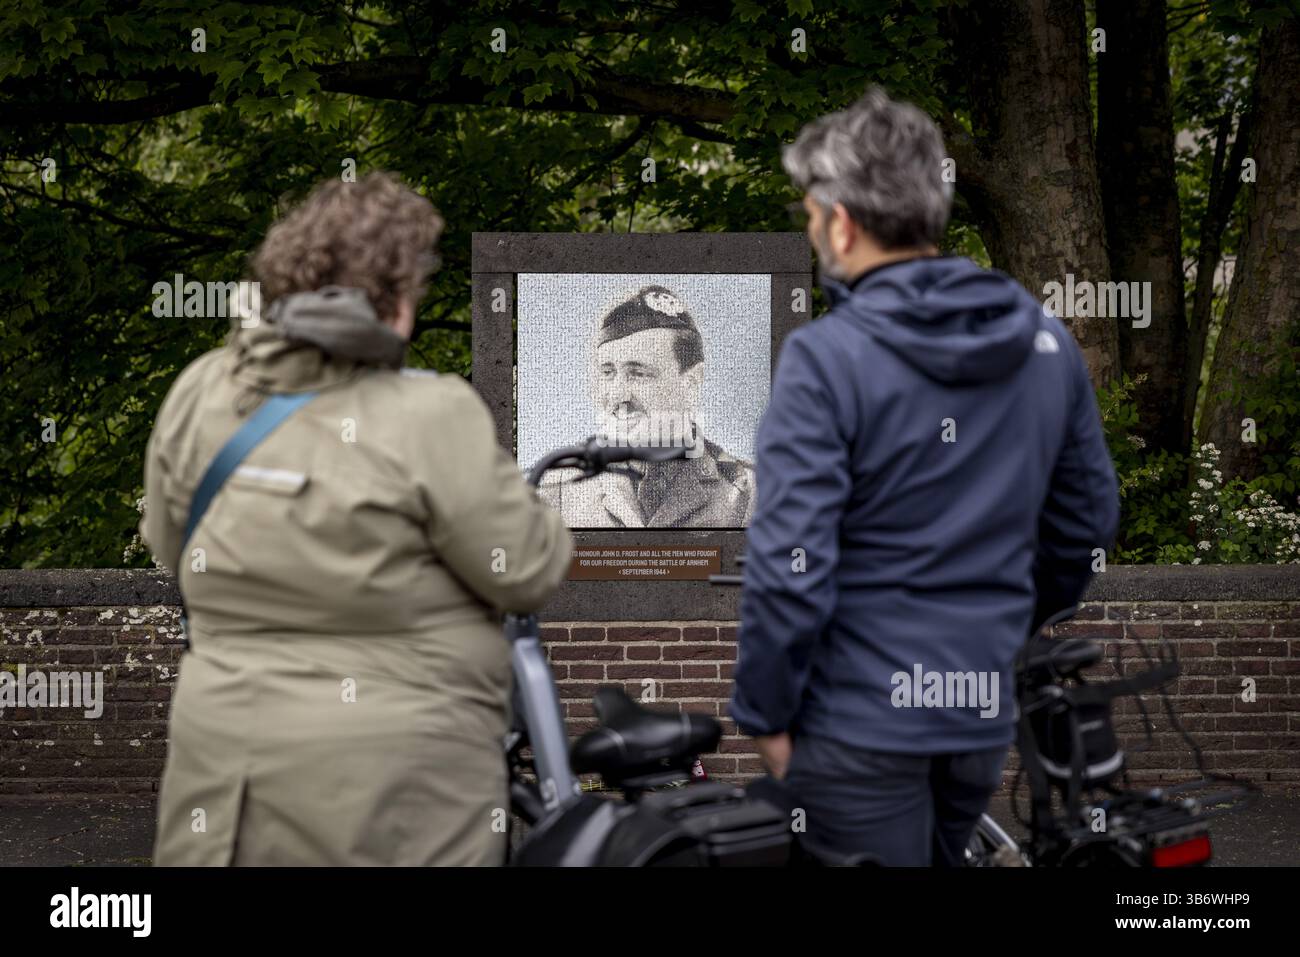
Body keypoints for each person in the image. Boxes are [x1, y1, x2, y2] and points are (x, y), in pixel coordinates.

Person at [729, 88, 1120, 866]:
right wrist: (993, 625)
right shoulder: (1045, 344)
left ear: (842, 221)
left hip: (855, 724)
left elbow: (789, 564)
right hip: (975, 715)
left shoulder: (826, 358)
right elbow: (1084, 526)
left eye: (812, 215)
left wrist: (766, 715)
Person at [142, 172, 572, 866]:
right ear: (394, 299)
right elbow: (527, 570)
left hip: (226, 781)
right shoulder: (432, 415)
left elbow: (172, 549)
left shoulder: (200, 392)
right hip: (404, 793)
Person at [539, 284, 755, 527]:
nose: (618, 394)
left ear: (691, 384)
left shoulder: (751, 494)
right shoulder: (557, 491)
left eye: (638, 373)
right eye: (608, 373)